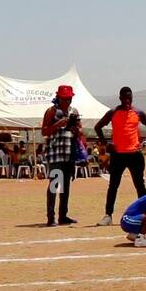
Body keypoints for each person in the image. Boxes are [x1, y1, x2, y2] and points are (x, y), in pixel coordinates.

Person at [95, 86, 146, 226]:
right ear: (120, 98)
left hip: (135, 155)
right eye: (124, 98)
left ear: (132, 98)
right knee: (113, 185)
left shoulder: (138, 113)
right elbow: (98, 127)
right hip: (118, 155)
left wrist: (144, 141)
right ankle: (108, 216)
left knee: (140, 185)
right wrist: (105, 143)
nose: (127, 100)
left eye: (130, 98)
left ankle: (145, 213)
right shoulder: (113, 113)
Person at [41, 85, 83, 225]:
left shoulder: (73, 112)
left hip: (69, 153)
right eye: (65, 99)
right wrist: (58, 124)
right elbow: (44, 131)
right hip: (55, 154)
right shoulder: (51, 111)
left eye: (69, 98)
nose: (67, 101)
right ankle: (51, 217)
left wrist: (75, 128)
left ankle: (63, 216)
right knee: (54, 184)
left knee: (65, 186)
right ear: (58, 98)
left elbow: (80, 132)